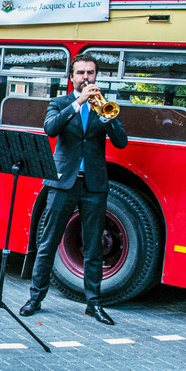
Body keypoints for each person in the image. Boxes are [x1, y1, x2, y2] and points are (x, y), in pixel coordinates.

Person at [20, 56, 128, 326]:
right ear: (72, 77)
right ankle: (35, 298)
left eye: (90, 73)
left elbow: (121, 142)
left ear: (96, 76)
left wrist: (108, 117)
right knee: (48, 243)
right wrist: (78, 102)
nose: (86, 77)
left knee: (93, 248)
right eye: (80, 73)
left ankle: (94, 304)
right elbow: (50, 129)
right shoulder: (60, 103)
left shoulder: (104, 106)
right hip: (62, 181)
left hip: (94, 184)